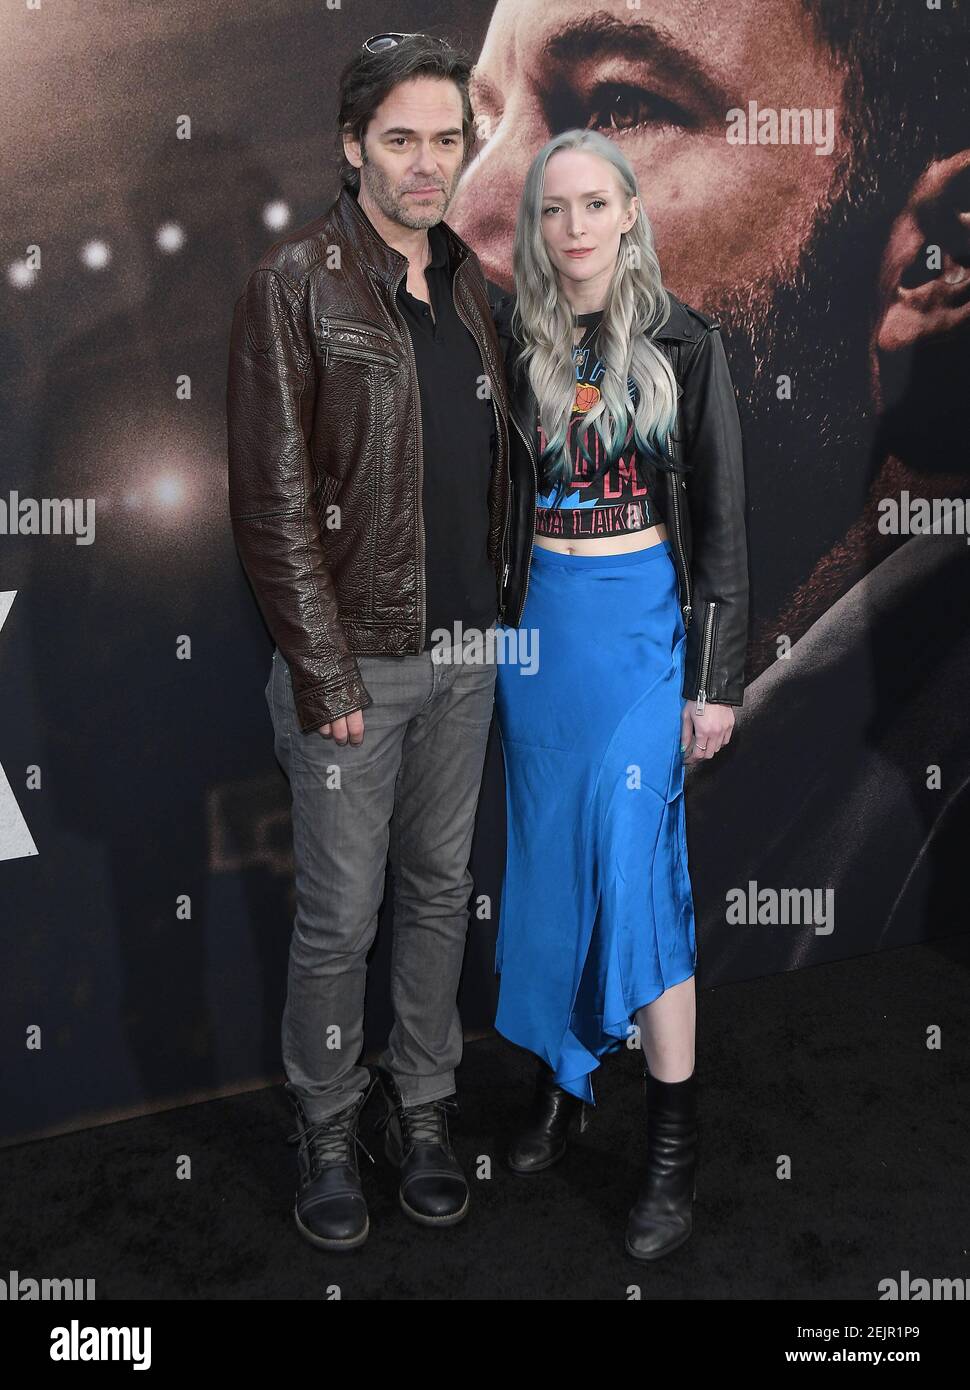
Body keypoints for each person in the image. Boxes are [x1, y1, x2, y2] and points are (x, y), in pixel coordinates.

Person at [226, 32, 511, 1250]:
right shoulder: (294, 288)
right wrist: (324, 670)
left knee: (440, 892)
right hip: (357, 670)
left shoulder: (477, 295)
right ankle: (329, 1122)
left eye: (446, 139)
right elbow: (273, 503)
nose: (426, 164)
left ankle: (425, 1107)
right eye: (400, 139)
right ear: (352, 149)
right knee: (341, 919)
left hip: (469, 662)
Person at [490, 129, 749, 1261]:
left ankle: (670, 1149)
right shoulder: (510, 339)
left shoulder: (686, 343)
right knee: (549, 874)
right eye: (555, 211)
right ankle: (565, 1079)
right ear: (538, 227)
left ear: (630, 213)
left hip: (645, 645)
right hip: (539, 650)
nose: (575, 228)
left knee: (638, 879)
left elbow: (724, 530)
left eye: (596, 205)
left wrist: (715, 681)